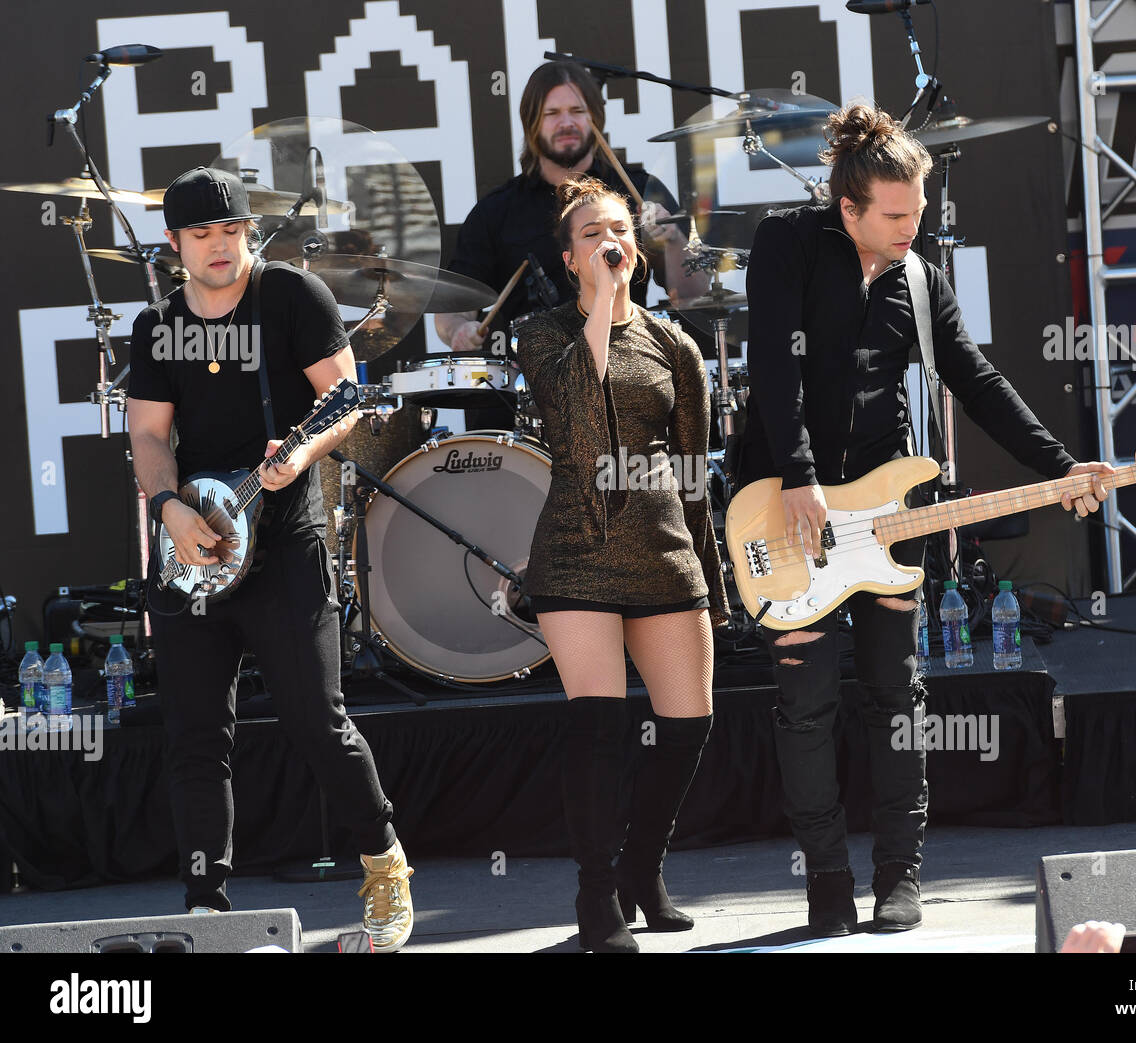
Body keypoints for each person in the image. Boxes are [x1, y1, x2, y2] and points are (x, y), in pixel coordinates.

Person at [737, 104, 1114, 937]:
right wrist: (798, 476)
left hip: (883, 510)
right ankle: (826, 880)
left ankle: (900, 875)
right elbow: (771, 363)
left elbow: (976, 380)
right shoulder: (786, 245)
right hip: (783, 496)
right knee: (804, 703)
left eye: (920, 212)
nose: (914, 228)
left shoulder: (917, 276)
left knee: (896, 695)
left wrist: (1061, 467)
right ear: (849, 207)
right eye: (896, 215)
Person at [126, 167, 415, 952]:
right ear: (174, 243)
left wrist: (303, 453)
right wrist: (168, 509)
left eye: (231, 232)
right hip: (194, 544)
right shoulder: (157, 327)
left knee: (317, 719)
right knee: (193, 733)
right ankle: (205, 906)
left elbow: (345, 397)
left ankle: (385, 864)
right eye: (201, 236)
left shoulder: (292, 297)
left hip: (283, 534)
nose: (219, 248)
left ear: (249, 231)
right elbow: (149, 434)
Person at [514, 175, 727, 953]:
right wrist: (602, 305)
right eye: (593, 234)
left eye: (621, 229)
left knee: (690, 722)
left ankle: (643, 866)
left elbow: (696, 469)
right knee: (598, 728)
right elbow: (577, 416)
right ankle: (596, 896)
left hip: (664, 546)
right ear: (570, 257)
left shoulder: (676, 344)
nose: (611, 242)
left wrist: (711, 575)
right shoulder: (540, 334)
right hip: (576, 550)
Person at [435, 59, 703, 431]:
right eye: (553, 113)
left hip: (626, 385)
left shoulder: (640, 194)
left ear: (595, 119)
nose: (566, 123)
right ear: (532, 122)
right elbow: (449, 313)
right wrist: (459, 332)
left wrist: (673, 241)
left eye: (578, 111)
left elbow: (692, 298)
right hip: (526, 404)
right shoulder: (495, 212)